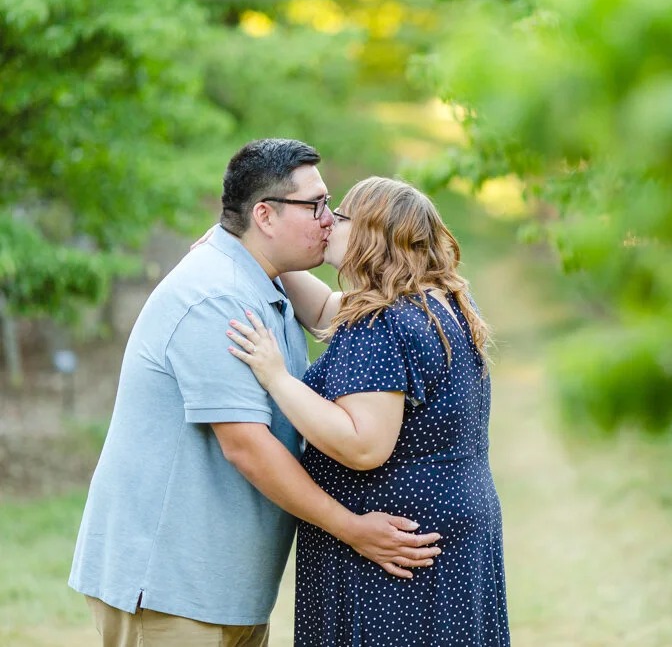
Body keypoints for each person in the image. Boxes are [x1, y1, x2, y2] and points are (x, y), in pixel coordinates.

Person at [68, 140, 441, 647]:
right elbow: (246, 446)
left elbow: (341, 311)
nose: (329, 219)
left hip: (225, 586)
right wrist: (352, 528)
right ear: (264, 216)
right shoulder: (217, 295)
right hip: (169, 587)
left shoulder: (265, 282)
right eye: (315, 206)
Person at [226, 176, 510, 646]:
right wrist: (258, 253)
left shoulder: (383, 322)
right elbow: (321, 312)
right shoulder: (439, 302)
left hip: (393, 550)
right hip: (449, 531)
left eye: (339, 217)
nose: (327, 223)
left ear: (370, 233)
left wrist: (276, 377)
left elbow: (362, 446)